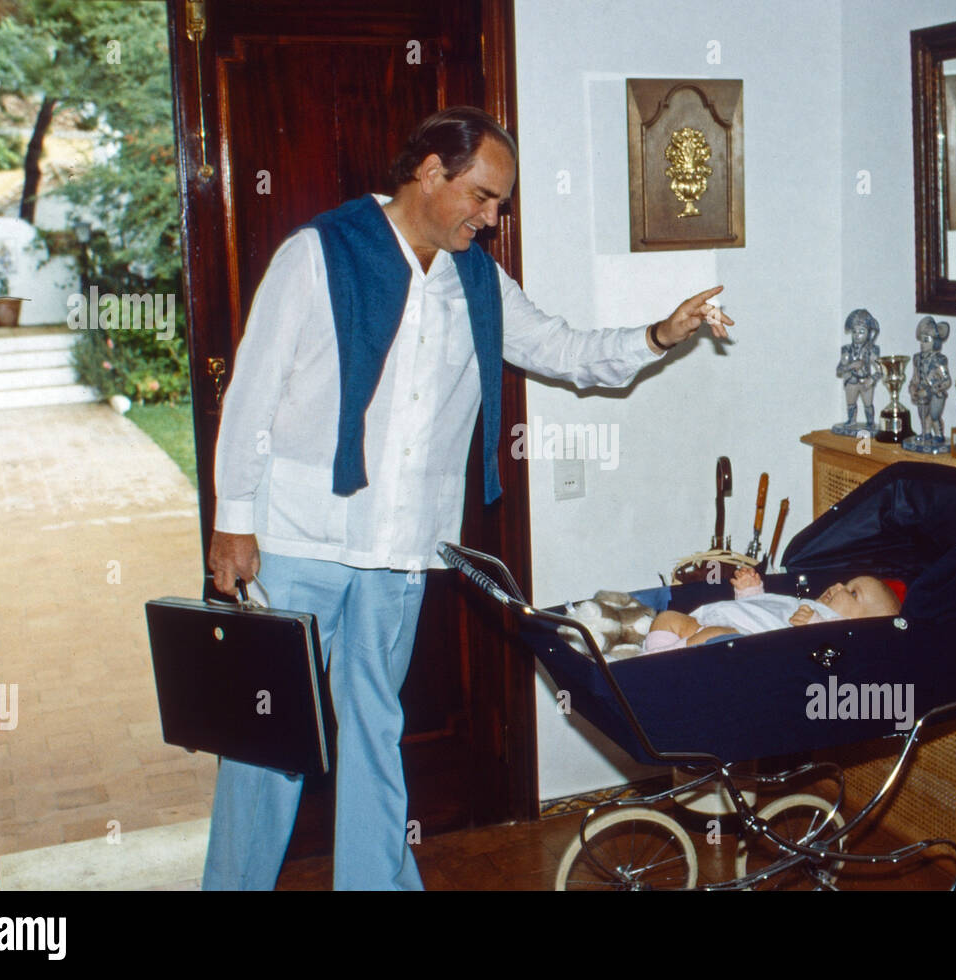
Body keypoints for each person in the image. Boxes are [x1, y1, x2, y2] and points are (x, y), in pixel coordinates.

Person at [202, 106, 733, 891]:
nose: (491, 219)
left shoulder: (476, 282)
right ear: (429, 174)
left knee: (375, 731)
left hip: (401, 547)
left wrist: (658, 335)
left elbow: (563, 350)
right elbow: (251, 394)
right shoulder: (317, 255)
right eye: (482, 198)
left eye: (500, 205)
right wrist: (233, 521)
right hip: (298, 536)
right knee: (270, 738)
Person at [642, 566, 904, 653]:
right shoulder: (804, 603)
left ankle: (654, 666)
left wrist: (815, 626)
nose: (837, 586)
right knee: (666, 617)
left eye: (853, 592)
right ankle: (653, 656)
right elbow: (766, 610)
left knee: (710, 637)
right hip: (711, 618)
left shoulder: (832, 628)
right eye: (846, 583)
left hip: (733, 639)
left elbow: (826, 644)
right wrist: (751, 592)